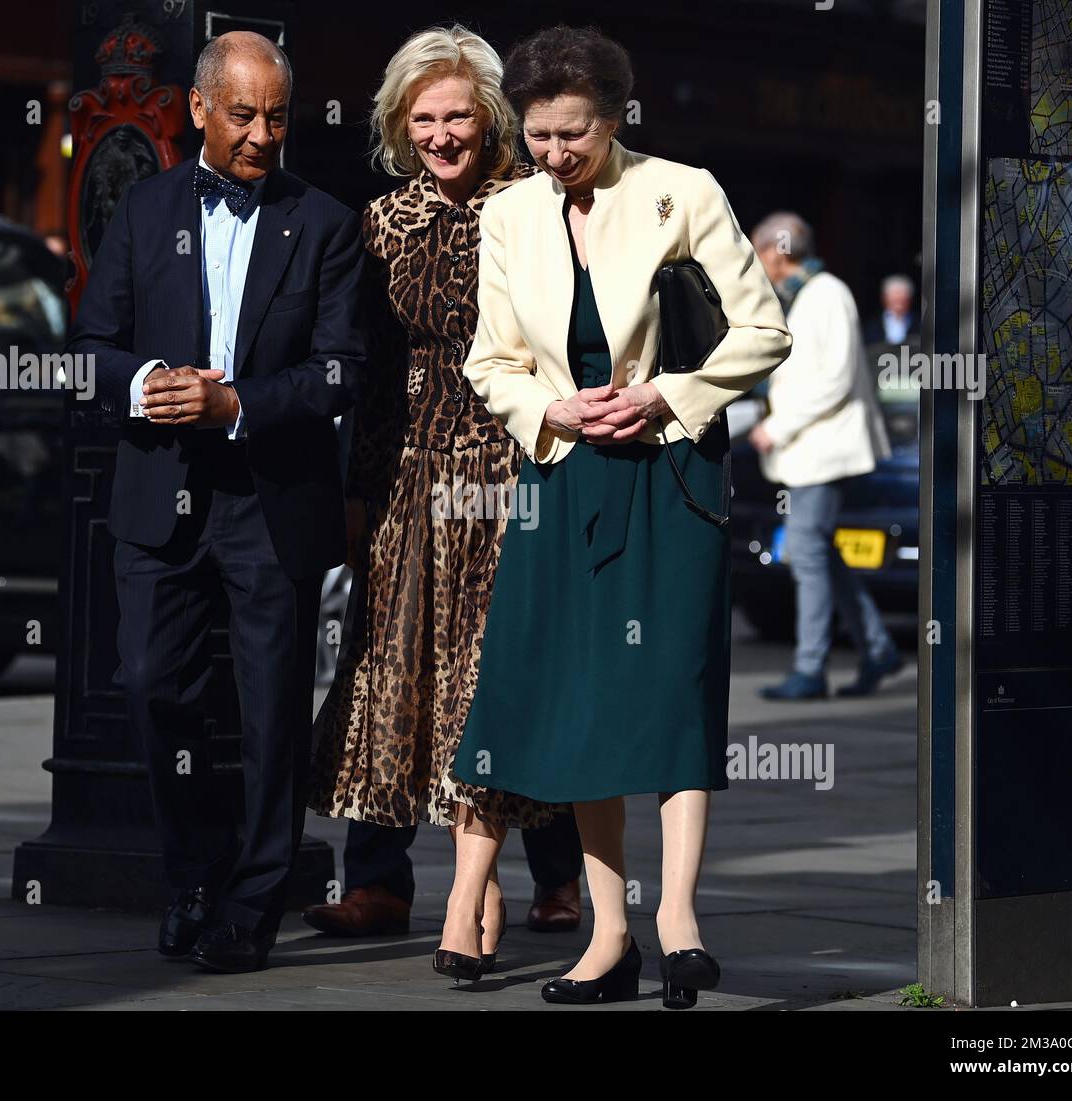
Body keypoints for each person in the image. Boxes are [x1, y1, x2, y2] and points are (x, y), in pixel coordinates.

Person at [450, 25, 792, 1007]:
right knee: (590, 705)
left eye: (573, 135)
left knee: (674, 691)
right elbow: (490, 360)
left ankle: (677, 921)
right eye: (539, 135)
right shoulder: (509, 213)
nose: (554, 153)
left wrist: (666, 398)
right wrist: (549, 409)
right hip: (564, 477)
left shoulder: (682, 190)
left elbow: (764, 328)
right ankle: (610, 938)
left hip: (671, 473)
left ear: (614, 116)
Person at [66, 31, 366, 973]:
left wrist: (239, 404)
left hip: (269, 496)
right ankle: (194, 873)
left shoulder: (324, 222)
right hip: (160, 492)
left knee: (275, 713)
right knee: (154, 685)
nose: (262, 135)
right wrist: (145, 378)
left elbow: (340, 371)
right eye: (243, 115)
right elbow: (91, 345)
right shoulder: (146, 209)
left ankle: (254, 901)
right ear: (199, 108)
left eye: (277, 116)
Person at [307, 24, 582, 966]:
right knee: (387, 669)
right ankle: (378, 879)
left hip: (513, 471)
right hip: (405, 475)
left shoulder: (543, 207)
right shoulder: (382, 222)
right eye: (422, 118)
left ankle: (553, 873)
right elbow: (373, 375)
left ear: (491, 115)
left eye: (457, 115)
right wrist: (355, 492)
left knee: (501, 675)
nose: (441, 135)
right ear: (397, 122)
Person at [747, 212, 903, 700]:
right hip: (811, 452)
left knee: (808, 552)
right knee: (820, 552)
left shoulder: (826, 293)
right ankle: (877, 648)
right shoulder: (805, 295)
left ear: (777, 251)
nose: (756, 263)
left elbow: (833, 381)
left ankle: (811, 668)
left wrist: (776, 426)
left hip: (824, 451)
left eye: (758, 253)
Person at [861, 273, 919, 348]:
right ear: (884, 298)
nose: (898, 302)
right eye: (894, 299)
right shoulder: (871, 327)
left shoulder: (921, 324)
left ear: (910, 299)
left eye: (902, 299)